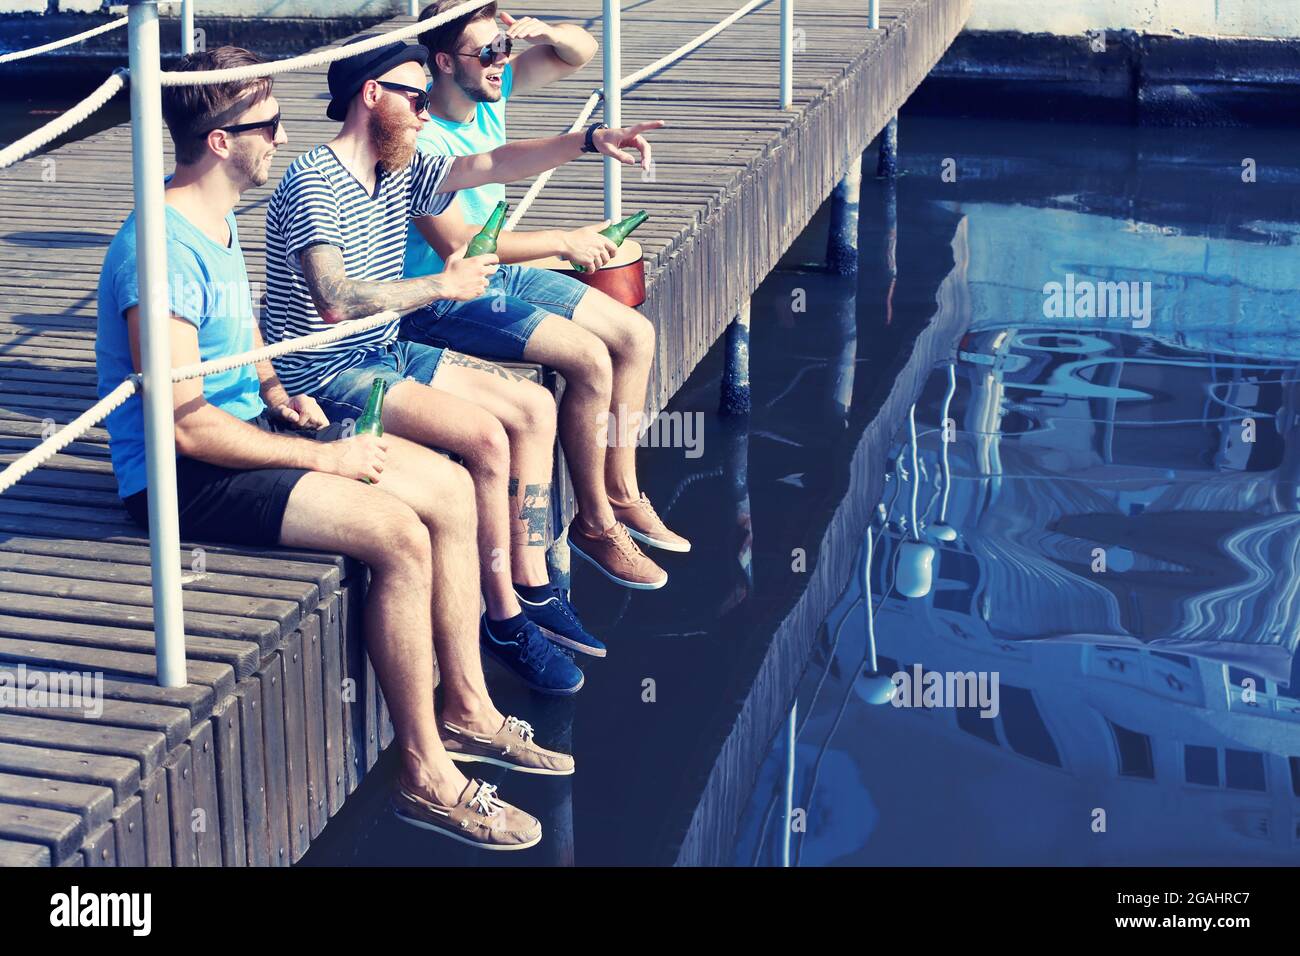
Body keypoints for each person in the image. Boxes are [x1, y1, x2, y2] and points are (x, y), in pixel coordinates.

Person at [95, 46, 570, 851]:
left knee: (452, 491)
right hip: (186, 477)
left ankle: (469, 710)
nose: (282, 136)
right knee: (398, 534)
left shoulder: (213, 216)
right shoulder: (159, 250)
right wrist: (327, 457)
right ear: (220, 141)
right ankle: (424, 773)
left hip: (255, 425)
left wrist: (280, 393)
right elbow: (181, 424)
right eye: (267, 123)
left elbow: (238, 335)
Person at [261, 37, 663, 679]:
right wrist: (439, 286)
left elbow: (493, 162)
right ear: (372, 96)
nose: (427, 115)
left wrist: (587, 141)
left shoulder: (398, 166)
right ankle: (502, 620)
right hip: (325, 372)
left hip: (382, 347)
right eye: (417, 100)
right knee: (484, 436)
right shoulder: (315, 181)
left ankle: (532, 583)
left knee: (532, 407)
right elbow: (334, 300)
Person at [402, 1, 693, 593]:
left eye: (502, 49)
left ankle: (623, 492)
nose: (500, 61)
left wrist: (541, 35)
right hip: (442, 296)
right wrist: (562, 239)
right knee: (588, 358)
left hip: (496, 274)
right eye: (486, 52)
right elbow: (458, 244)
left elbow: (576, 52)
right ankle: (594, 523)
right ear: (441, 62)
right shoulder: (418, 135)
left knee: (635, 335)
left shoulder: (490, 84)